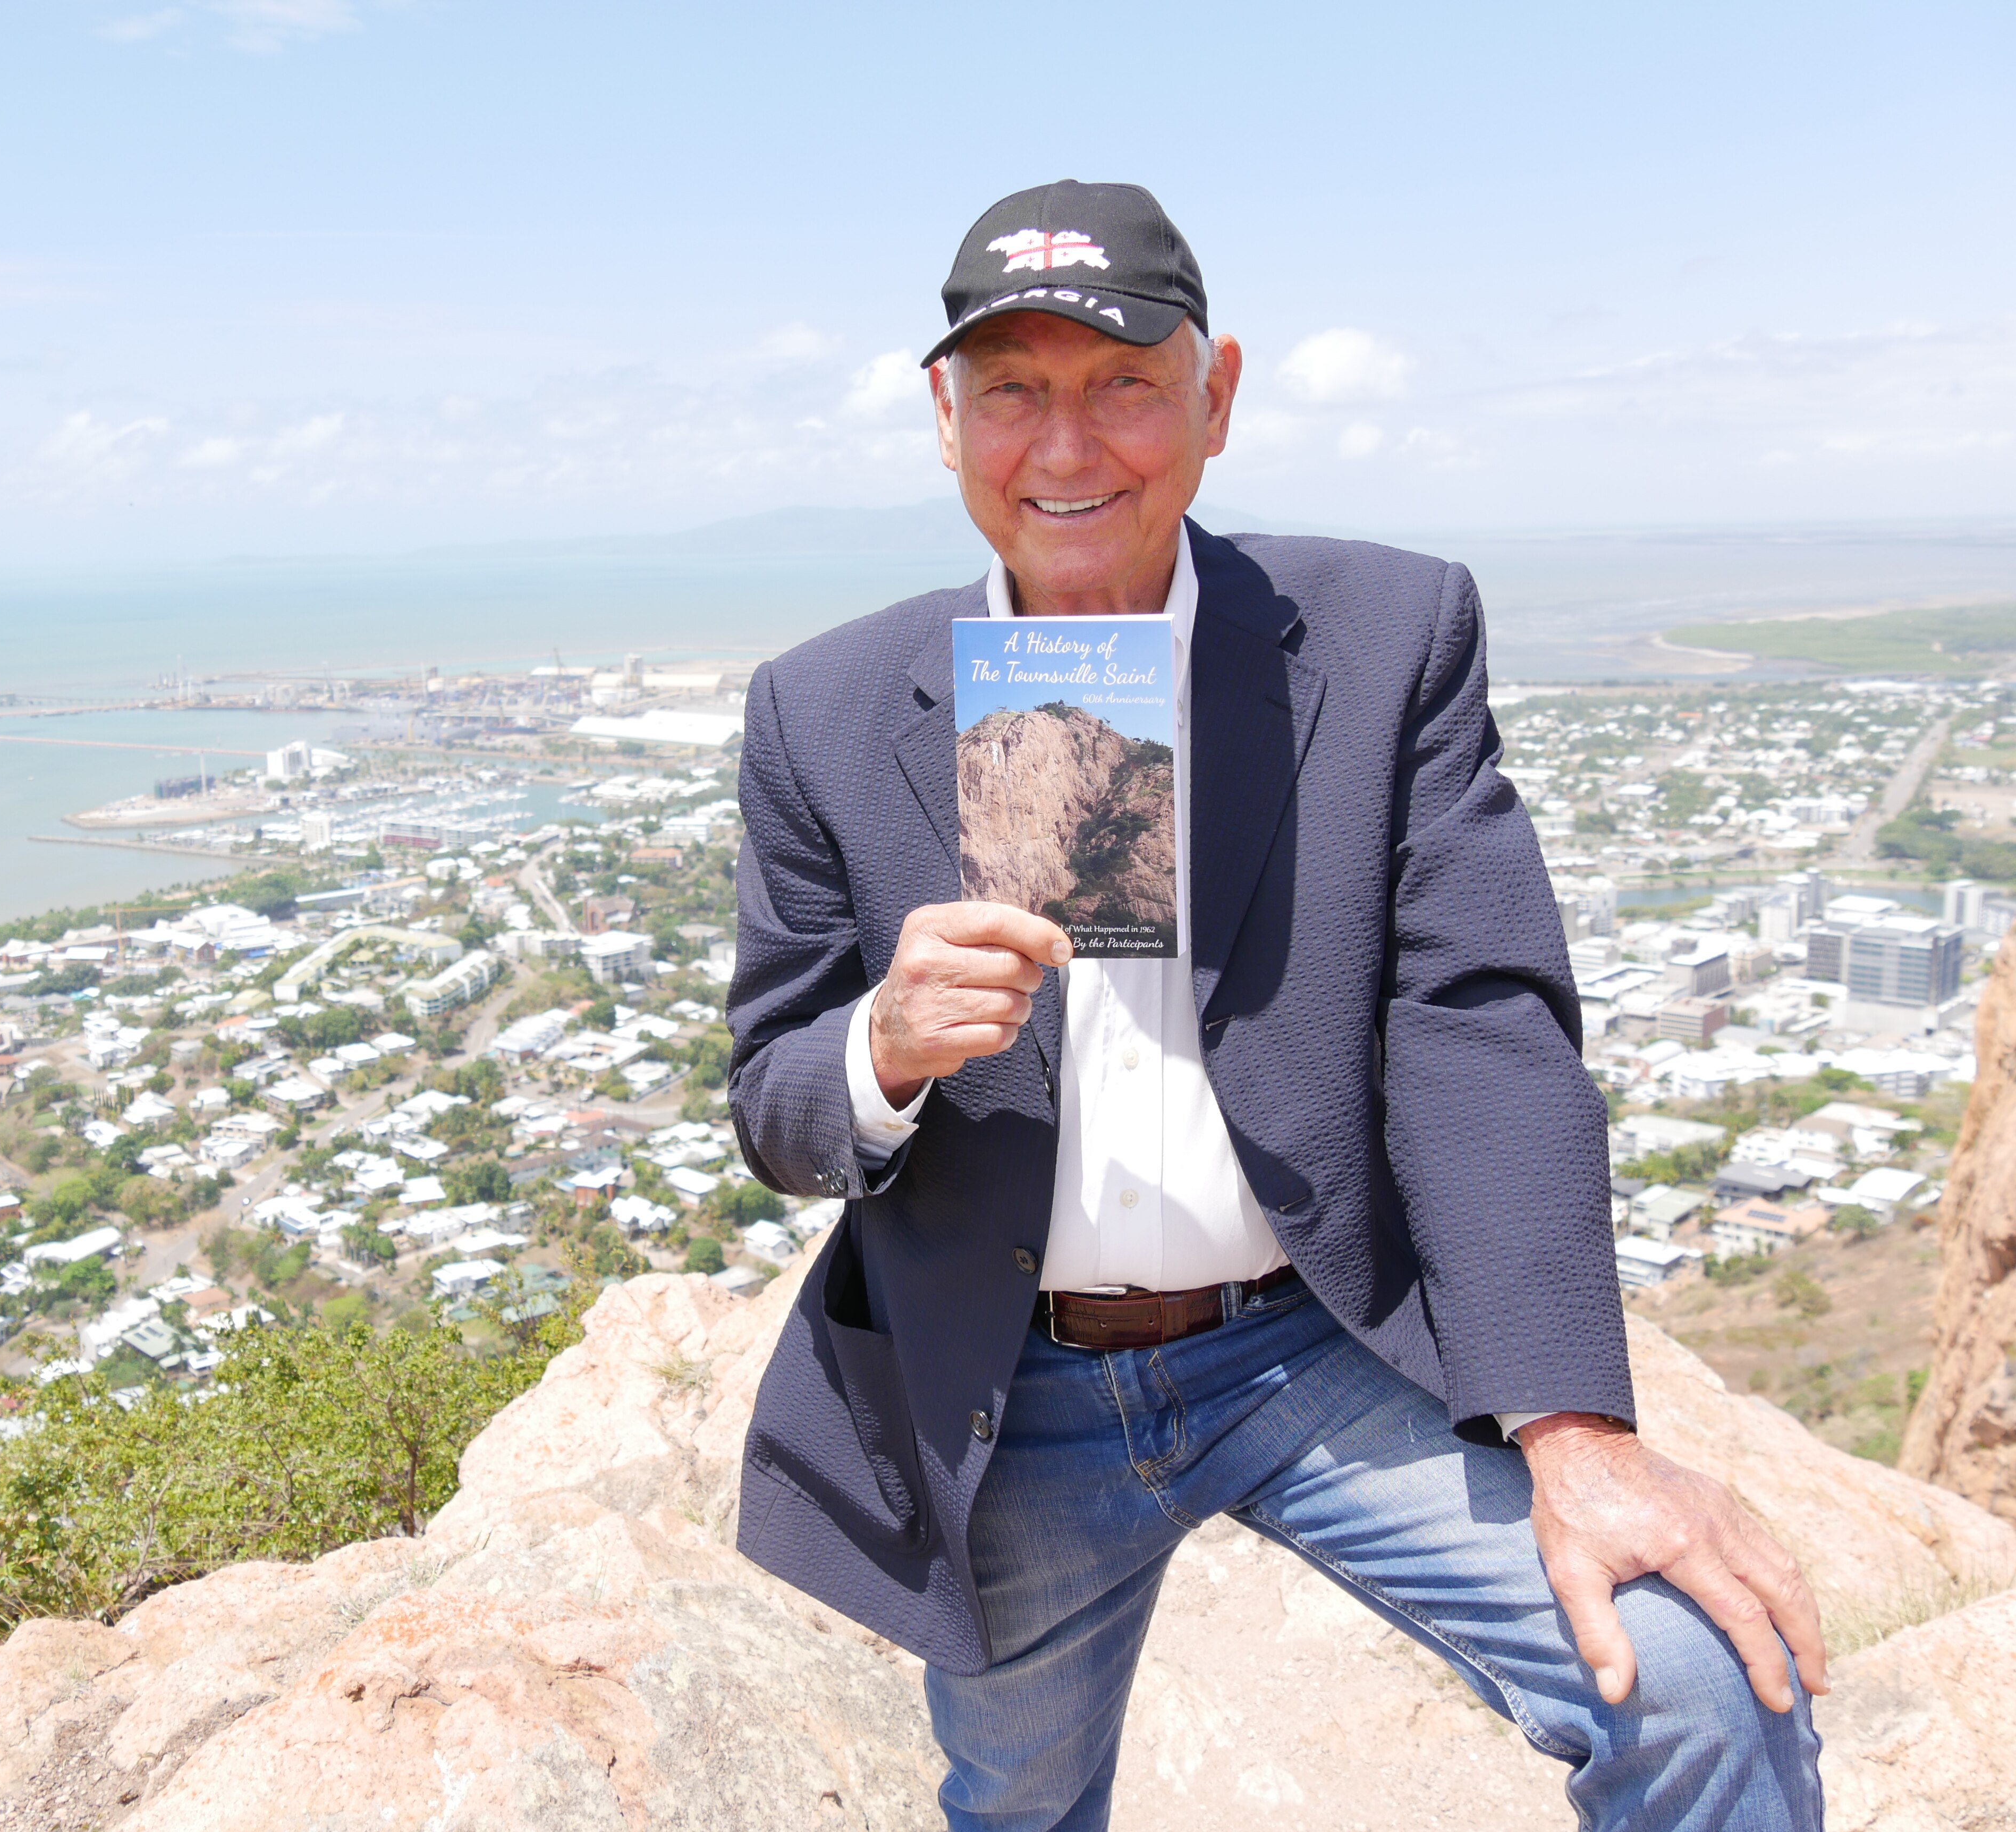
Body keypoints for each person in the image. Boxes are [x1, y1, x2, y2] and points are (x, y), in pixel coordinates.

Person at [725, 181, 1825, 1830]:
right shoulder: (820, 709)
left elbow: (1482, 1029)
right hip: (1017, 1387)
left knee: (1689, 1680)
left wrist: (1577, 1428)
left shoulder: (1384, 635)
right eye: (1013, 391)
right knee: (1017, 1808)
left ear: (1217, 395)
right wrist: (882, 1049)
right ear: (944, 416)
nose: (1067, 447)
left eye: (1124, 383)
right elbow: (777, 1103)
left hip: (1320, 1339)